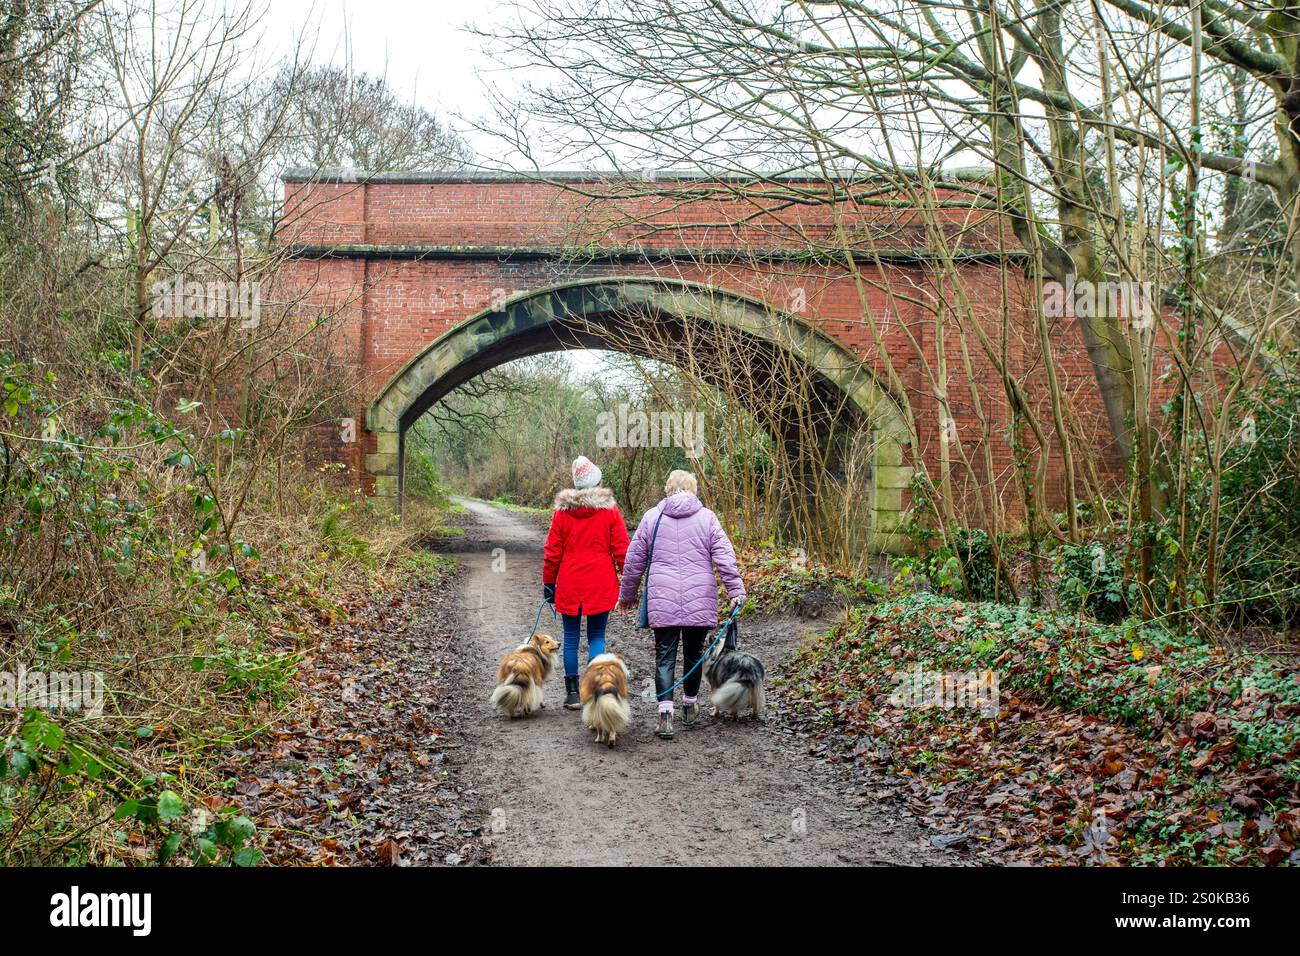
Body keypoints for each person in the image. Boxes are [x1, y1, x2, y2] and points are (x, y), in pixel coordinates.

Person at [617, 469, 745, 739]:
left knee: (664, 655)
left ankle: (665, 716)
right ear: (693, 489)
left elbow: (633, 562)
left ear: (668, 489)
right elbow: (725, 556)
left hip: (662, 597)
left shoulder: (652, 517)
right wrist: (735, 590)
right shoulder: (707, 518)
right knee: (694, 654)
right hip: (699, 596)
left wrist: (626, 596)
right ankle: (689, 706)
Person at [543, 455, 630, 710]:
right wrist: (628, 579)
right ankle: (595, 691)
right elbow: (621, 549)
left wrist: (549, 583)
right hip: (601, 583)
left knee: (570, 638)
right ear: (597, 481)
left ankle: (572, 695)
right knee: (596, 637)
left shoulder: (562, 513)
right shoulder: (610, 510)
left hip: (570, 583)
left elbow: (552, 552)